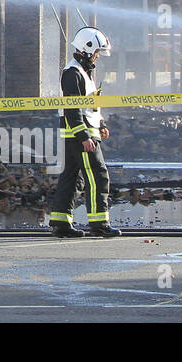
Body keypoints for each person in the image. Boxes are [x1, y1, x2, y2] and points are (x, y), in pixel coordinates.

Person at [48, 26, 121, 238]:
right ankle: (99, 223)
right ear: (87, 49)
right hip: (79, 136)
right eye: (97, 53)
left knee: (72, 177)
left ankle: (61, 222)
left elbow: (90, 105)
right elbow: (72, 108)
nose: (97, 57)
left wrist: (102, 125)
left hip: (83, 133)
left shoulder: (83, 73)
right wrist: (84, 136)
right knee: (98, 175)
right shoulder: (72, 73)